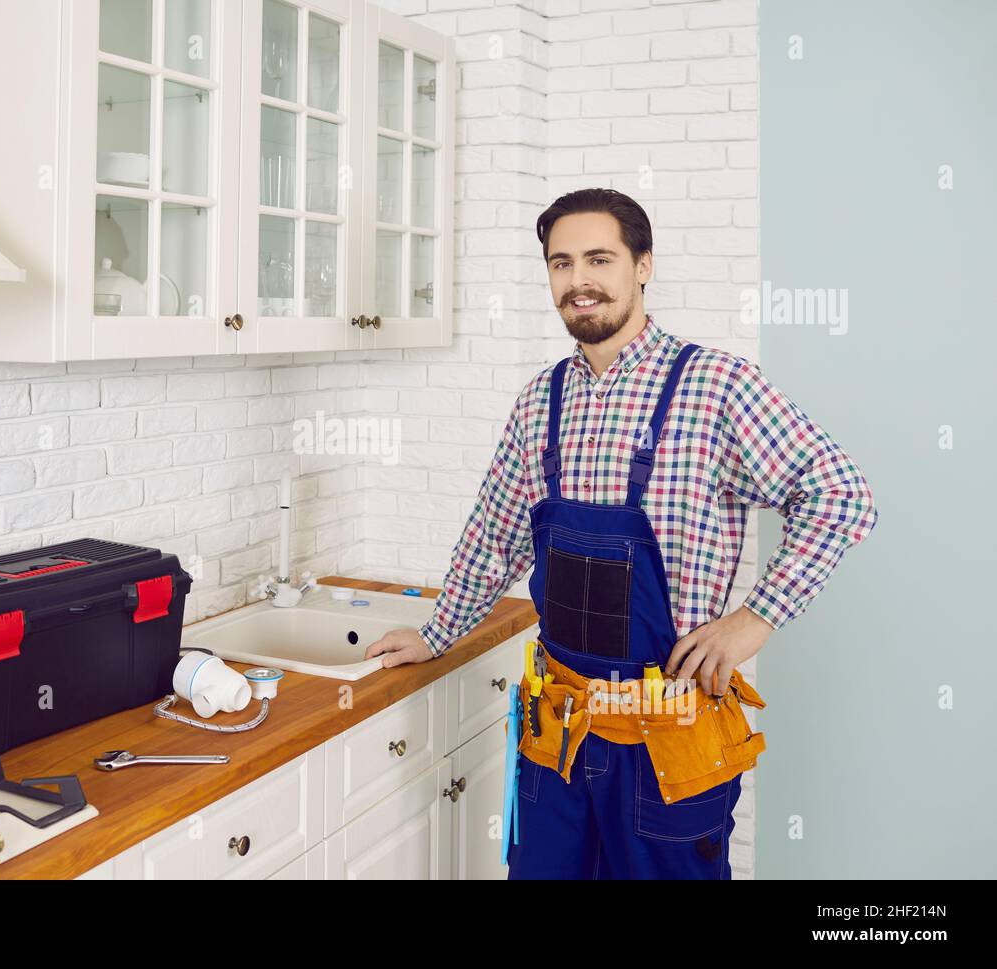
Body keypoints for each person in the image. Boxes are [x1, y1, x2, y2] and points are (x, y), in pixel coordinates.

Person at [363, 187, 878, 879]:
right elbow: (494, 537)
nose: (579, 280)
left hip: (668, 745)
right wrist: (435, 632)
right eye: (561, 263)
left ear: (642, 265)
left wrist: (754, 620)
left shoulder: (717, 387)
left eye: (599, 259)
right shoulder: (540, 401)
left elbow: (842, 495)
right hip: (559, 739)